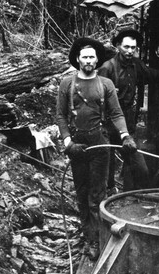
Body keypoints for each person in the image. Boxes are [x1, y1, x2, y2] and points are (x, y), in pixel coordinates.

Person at [56, 37, 137, 261]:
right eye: (85, 57)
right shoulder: (66, 84)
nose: (89, 61)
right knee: (82, 193)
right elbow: (61, 116)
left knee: (97, 193)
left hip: (100, 143)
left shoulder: (106, 84)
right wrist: (68, 143)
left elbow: (117, 114)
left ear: (97, 59)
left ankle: (99, 238)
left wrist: (125, 135)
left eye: (92, 57)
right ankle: (89, 237)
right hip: (77, 146)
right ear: (78, 59)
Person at [98, 28, 159, 191]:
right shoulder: (108, 67)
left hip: (127, 123)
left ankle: (129, 195)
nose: (129, 51)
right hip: (108, 123)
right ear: (118, 46)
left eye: (133, 48)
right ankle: (108, 195)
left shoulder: (136, 65)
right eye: (126, 47)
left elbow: (154, 74)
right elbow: (98, 99)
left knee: (138, 166)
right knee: (107, 167)